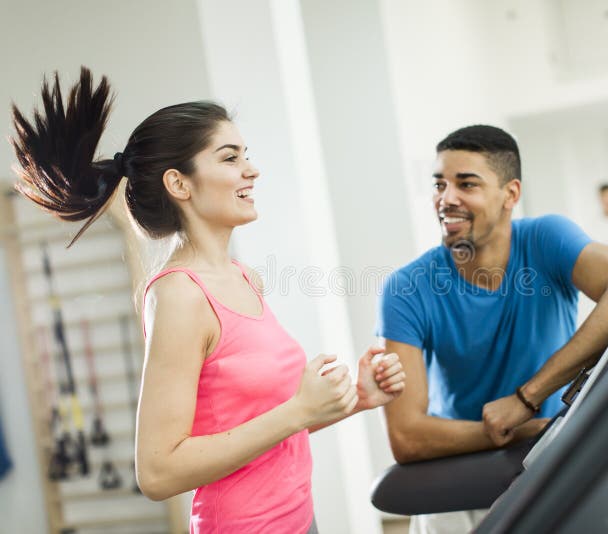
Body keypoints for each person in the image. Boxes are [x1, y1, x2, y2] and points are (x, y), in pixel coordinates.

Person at [10, 68, 406, 534]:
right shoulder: (180, 294)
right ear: (180, 184)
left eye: (246, 155)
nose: (251, 169)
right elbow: (157, 472)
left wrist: (352, 398)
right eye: (230, 158)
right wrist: (299, 410)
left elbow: (260, 428)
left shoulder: (244, 278)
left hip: (300, 518)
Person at [375, 125, 608, 532]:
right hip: (462, 481)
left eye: (466, 184)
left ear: (510, 194)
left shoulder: (545, 240)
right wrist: (513, 431)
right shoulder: (406, 288)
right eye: (439, 185)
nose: (446, 198)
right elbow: (407, 436)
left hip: (552, 464)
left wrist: (527, 397)